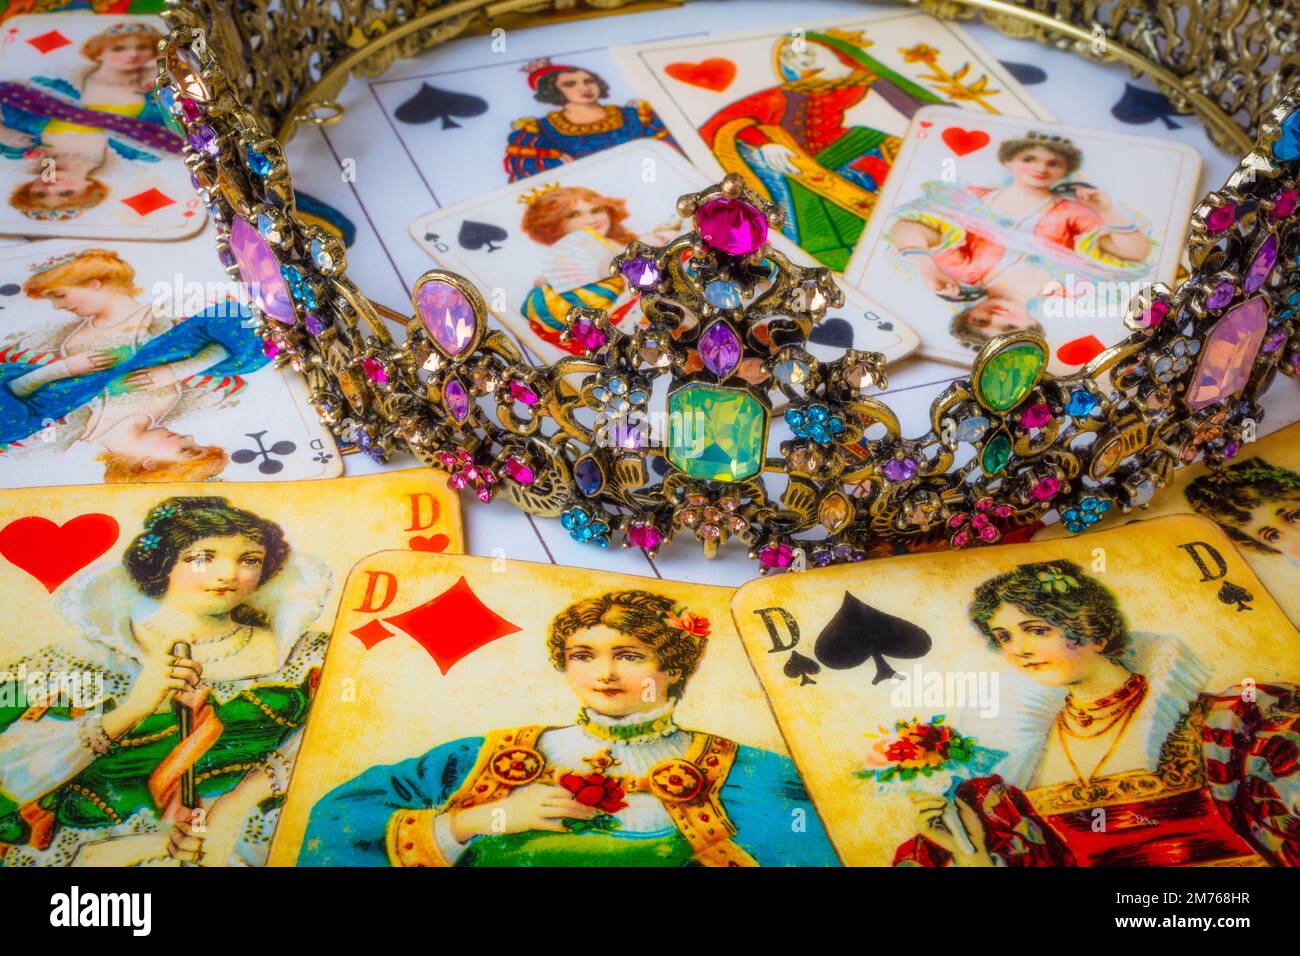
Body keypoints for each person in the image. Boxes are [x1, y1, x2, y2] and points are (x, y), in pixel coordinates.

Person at [300, 589, 839, 866]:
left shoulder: (751, 774)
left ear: (673, 667)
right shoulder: (483, 757)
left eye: (629, 655)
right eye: (583, 655)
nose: (603, 674)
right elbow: (340, 822)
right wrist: (473, 822)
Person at [893, 560, 1300, 866]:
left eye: (1036, 630)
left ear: (1097, 633)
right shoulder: (1017, 766)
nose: (1017, 649)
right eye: (1004, 637)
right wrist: (971, 853)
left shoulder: (1223, 724)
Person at [0, 497, 332, 866]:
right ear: (165, 564)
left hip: (247, 839)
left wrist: (236, 806)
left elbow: (327, 748)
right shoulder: (83, 660)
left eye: (248, 560)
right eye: (202, 557)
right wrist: (132, 708)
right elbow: (11, 776)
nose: (228, 574)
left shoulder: (305, 656)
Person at [0, 248, 268, 481]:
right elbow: (232, 334)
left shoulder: (62, 434)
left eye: (187, 449)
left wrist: (64, 369)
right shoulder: (168, 402)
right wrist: (180, 369)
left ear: (149, 464)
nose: (188, 437)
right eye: (196, 444)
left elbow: (9, 399)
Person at [699, 30, 945, 270]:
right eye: (791, 59)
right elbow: (729, 121)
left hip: (852, 146)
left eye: (807, 52)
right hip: (797, 160)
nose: (801, 61)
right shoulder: (790, 92)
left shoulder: (870, 82)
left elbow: (921, 115)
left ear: (836, 51)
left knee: (889, 149)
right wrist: (765, 142)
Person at [887, 133, 1155, 351]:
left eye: (981, 320)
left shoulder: (964, 265)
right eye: (1008, 328)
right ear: (1031, 324)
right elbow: (1133, 255)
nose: (995, 317)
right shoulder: (1070, 289)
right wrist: (1107, 210)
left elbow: (907, 227)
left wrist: (928, 269)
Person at [0, 22, 180, 221]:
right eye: (66, 193)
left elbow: (8, 92)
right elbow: (177, 132)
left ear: (29, 185)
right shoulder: (137, 153)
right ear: (90, 187)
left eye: (39, 193)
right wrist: (159, 77)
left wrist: (2, 131)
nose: (51, 187)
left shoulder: (19, 144)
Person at [518, 184, 677, 353]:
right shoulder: (567, 259)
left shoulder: (623, 242)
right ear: (555, 224)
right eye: (574, 215)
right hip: (617, 321)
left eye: (596, 210)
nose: (591, 219)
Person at [504, 59, 673, 181]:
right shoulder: (537, 130)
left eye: (589, 81)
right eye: (570, 84)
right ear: (552, 91)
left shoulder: (638, 115)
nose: (584, 88)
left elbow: (673, 153)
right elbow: (531, 177)